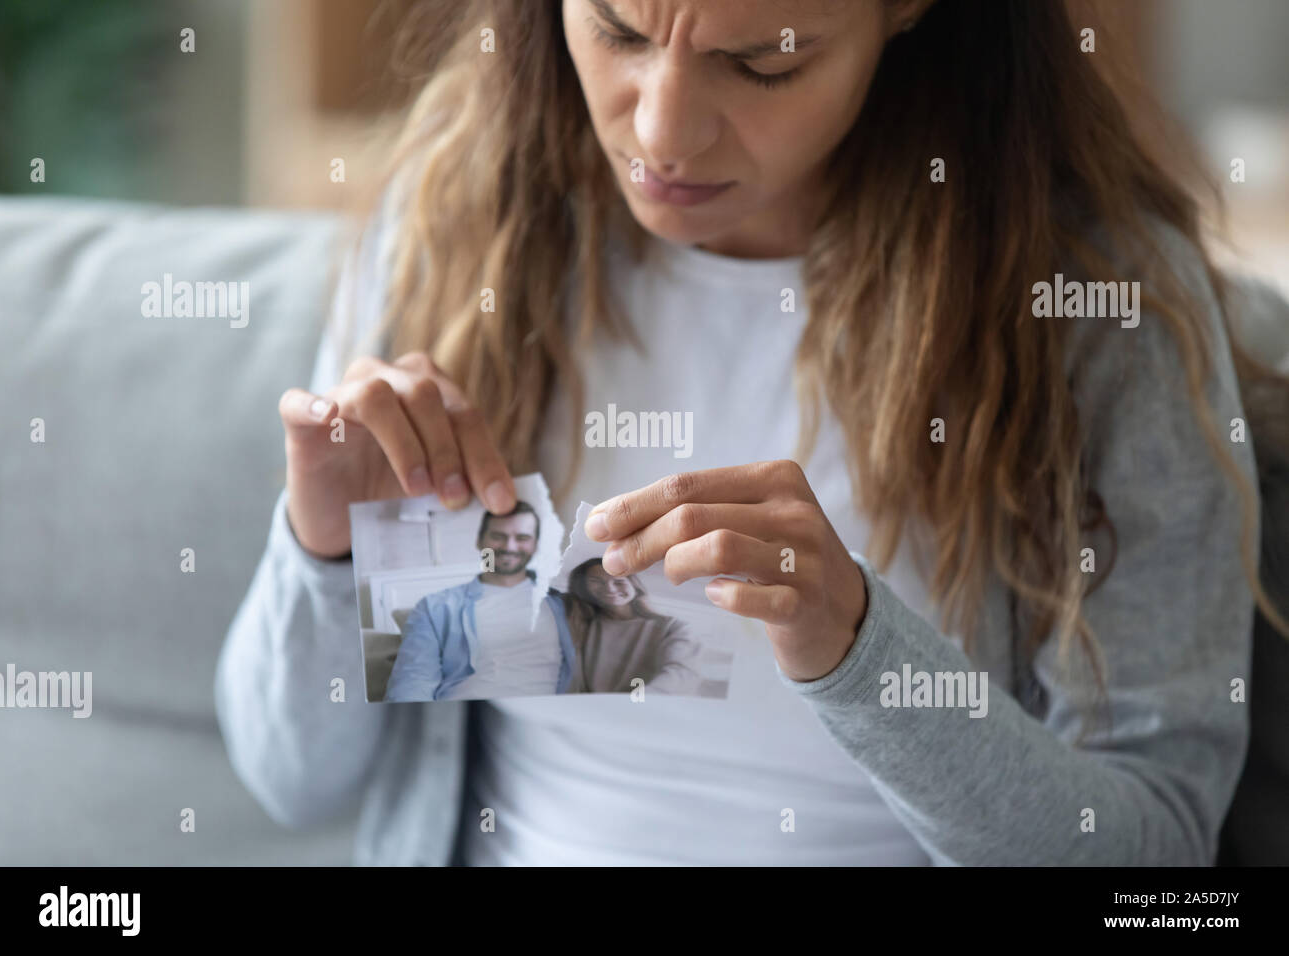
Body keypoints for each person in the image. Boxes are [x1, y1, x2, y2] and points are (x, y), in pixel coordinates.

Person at [215, 0, 1289, 865]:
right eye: (619, 33)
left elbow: (1147, 844)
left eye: (764, 63)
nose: (662, 130)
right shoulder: (461, 223)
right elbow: (289, 777)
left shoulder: (1100, 306)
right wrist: (327, 551)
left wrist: (859, 646)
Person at [383, 501, 576, 702]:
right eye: (498, 536)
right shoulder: (434, 608)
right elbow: (413, 680)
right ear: (479, 541)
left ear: (535, 545)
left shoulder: (564, 604)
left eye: (522, 538)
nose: (509, 546)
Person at [562, 558, 703, 695]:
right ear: (584, 589)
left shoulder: (673, 627)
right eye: (596, 582)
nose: (610, 588)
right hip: (586, 710)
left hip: (644, 708)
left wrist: (633, 704)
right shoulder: (581, 626)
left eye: (618, 581)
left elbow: (680, 674)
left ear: (634, 584)